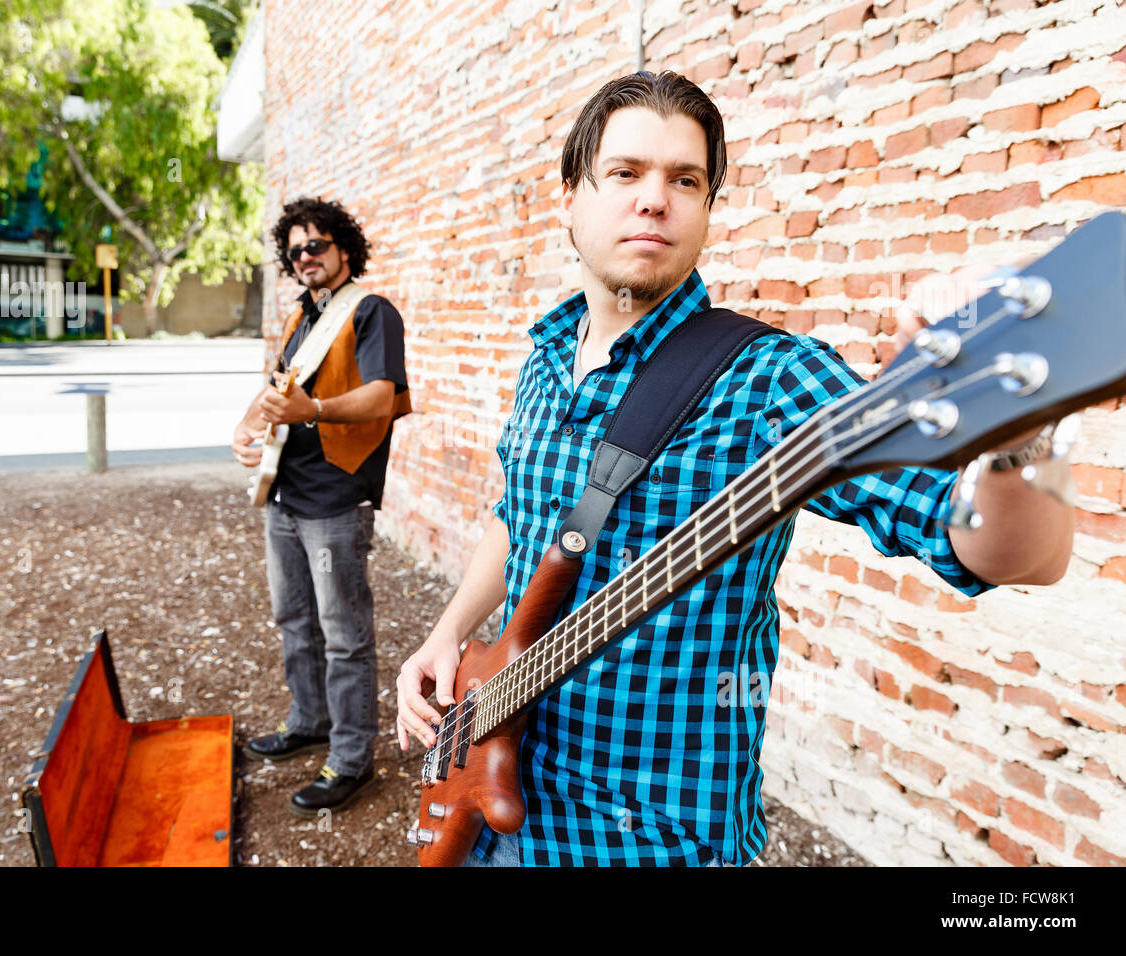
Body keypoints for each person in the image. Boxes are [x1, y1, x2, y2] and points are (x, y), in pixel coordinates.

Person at [395, 71, 1075, 866]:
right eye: (625, 173)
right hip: (490, 789)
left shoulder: (768, 378)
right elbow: (518, 516)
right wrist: (447, 636)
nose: (655, 199)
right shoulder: (546, 362)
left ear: (707, 210)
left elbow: (1014, 553)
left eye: (685, 179)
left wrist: (1025, 437)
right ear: (569, 200)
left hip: (645, 840)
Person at [233, 197, 410, 816]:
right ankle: (308, 719)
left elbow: (382, 398)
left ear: (343, 249)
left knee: (344, 633)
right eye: (296, 249)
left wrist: (317, 411)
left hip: (336, 495)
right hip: (285, 490)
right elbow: (276, 390)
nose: (305, 257)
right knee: (292, 618)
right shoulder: (298, 321)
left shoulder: (370, 312)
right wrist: (244, 425)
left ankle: (352, 758)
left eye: (317, 245)